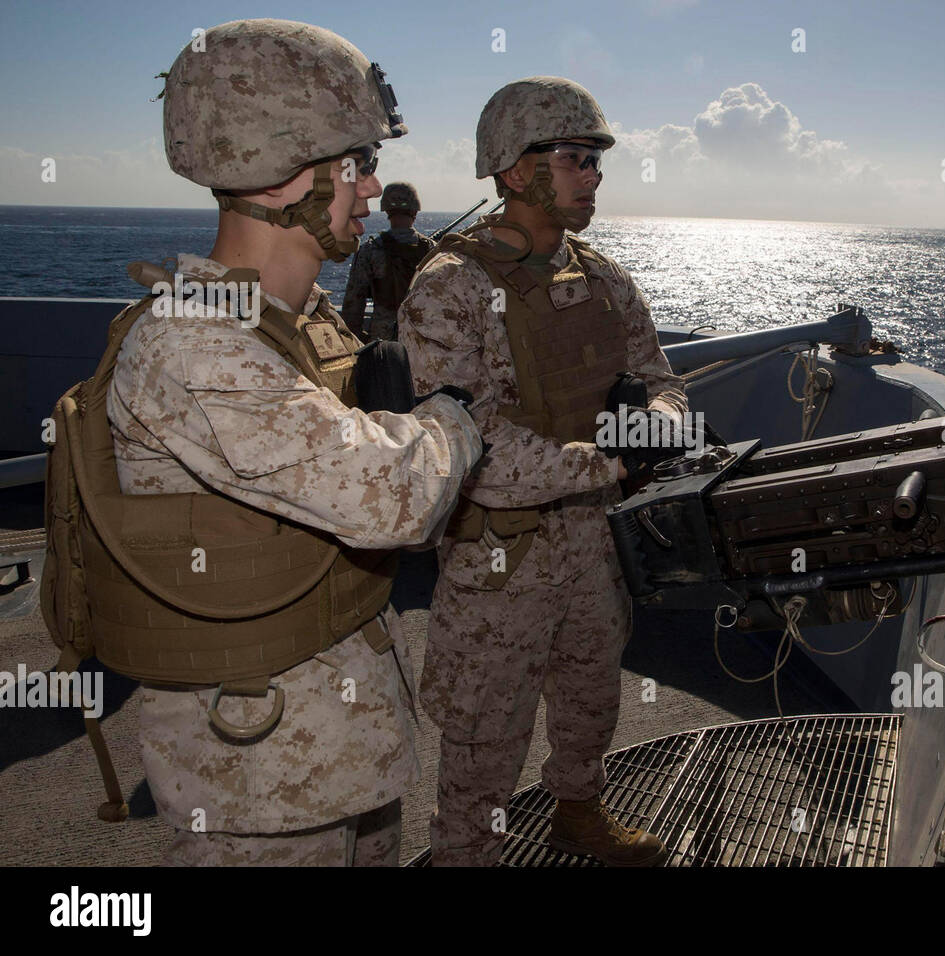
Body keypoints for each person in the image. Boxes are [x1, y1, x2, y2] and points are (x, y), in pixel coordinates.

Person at [87, 19, 481, 865]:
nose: (374, 190)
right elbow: (397, 498)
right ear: (289, 174)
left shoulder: (292, 321)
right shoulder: (191, 343)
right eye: (360, 164)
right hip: (259, 770)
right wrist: (456, 411)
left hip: (343, 742)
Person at [399, 76, 689, 866]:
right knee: (484, 734)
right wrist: (616, 459)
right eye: (574, 157)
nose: (592, 174)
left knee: (593, 699)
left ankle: (578, 814)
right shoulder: (448, 289)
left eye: (595, 159)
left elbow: (658, 374)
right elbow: (477, 449)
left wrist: (659, 421)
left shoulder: (601, 278)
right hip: (501, 556)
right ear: (516, 169)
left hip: (593, 543)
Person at [342, 182, 434, 342]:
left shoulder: (370, 250)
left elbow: (353, 303)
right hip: (423, 338)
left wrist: (353, 342)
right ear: (414, 210)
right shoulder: (431, 250)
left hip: (382, 339)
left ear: (387, 210)